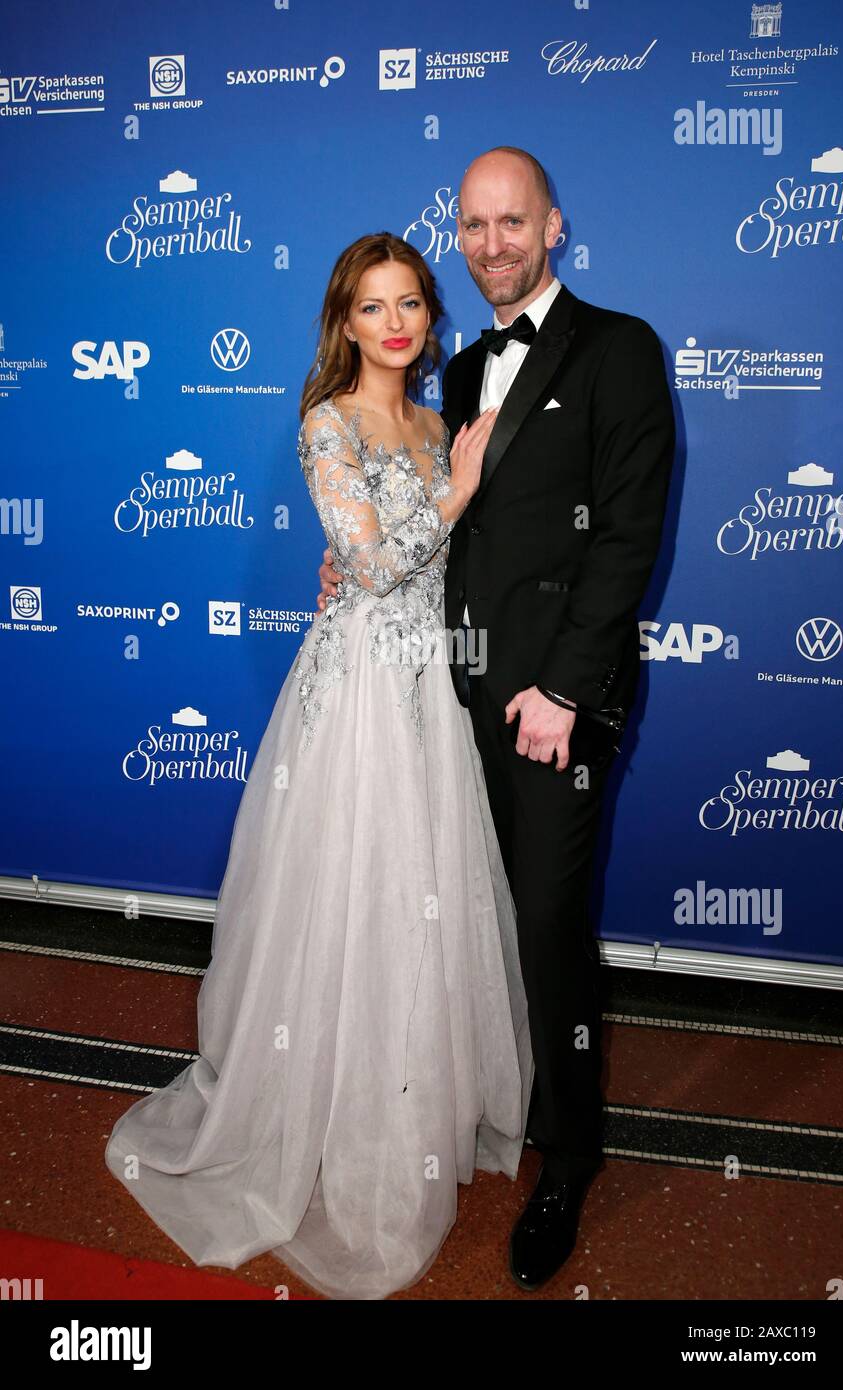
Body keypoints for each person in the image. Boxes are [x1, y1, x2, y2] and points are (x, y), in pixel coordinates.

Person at [104, 231, 534, 1301]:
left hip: (431, 690)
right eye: (371, 307)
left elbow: (419, 564)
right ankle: (319, 1117)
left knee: (419, 902)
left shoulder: (436, 422)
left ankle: (408, 1109)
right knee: (345, 898)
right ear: (344, 321)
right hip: (354, 700)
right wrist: (454, 495)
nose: (394, 324)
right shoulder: (326, 423)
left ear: (430, 316)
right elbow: (376, 560)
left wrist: (435, 508)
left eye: (409, 304)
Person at [317, 147, 677, 1291]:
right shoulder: (462, 369)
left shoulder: (618, 349)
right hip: (449, 696)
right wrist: (352, 572)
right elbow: (443, 524)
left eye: (511, 222)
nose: (491, 244)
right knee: (462, 916)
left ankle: (566, 1158)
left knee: (544, 925)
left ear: (552, 227)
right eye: (472, 226)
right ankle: (485, 1101)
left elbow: (624, 534)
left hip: (551, 706)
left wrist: (563, 690)